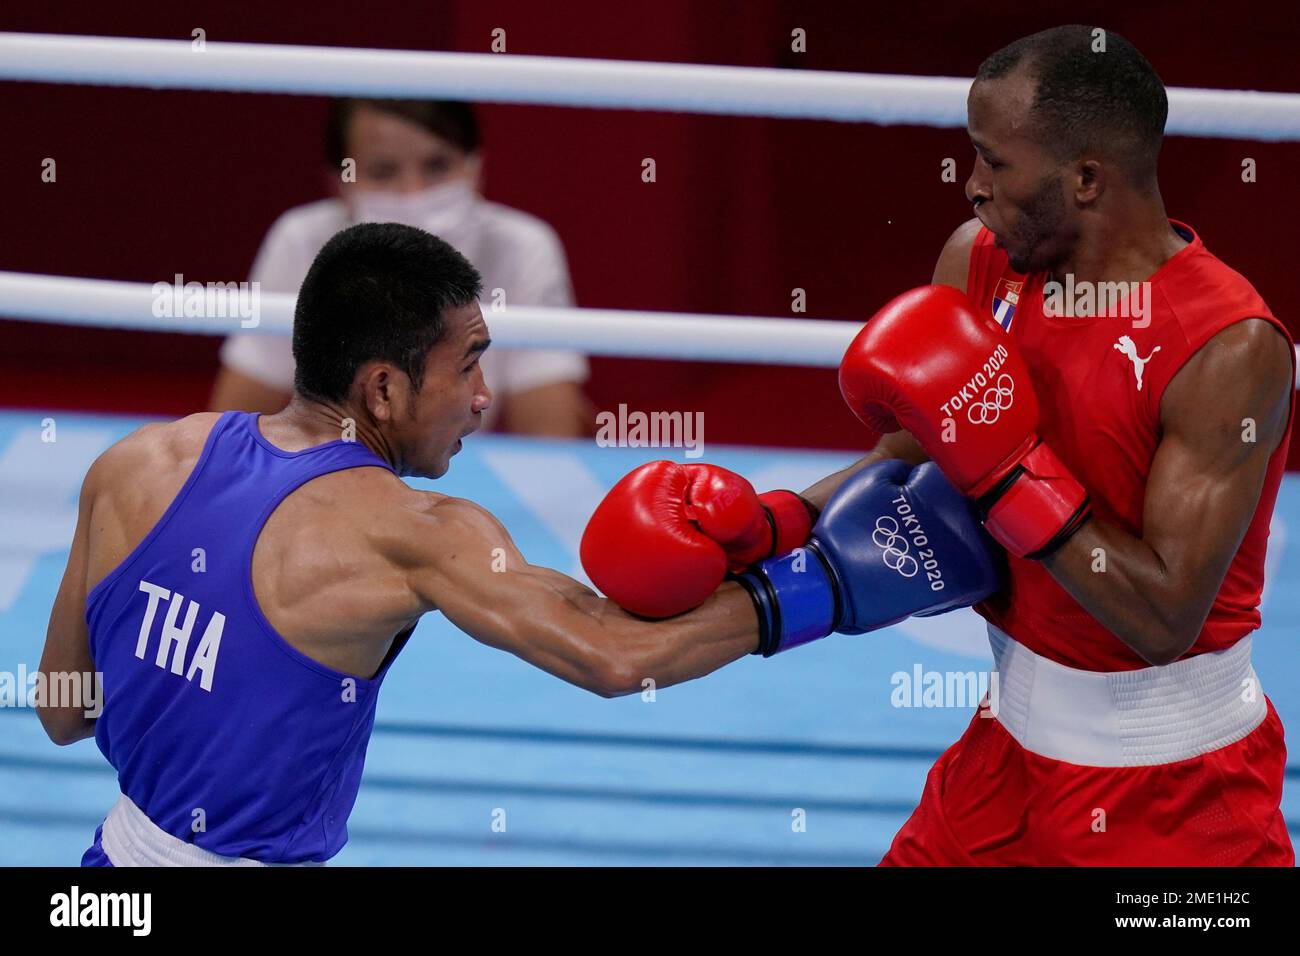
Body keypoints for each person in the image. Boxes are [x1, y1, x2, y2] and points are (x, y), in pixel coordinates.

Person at [35, 223, 998, 866]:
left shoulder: (141, 459)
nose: (487, 398)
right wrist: (823, 585)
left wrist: (787, 517)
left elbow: (63, 713)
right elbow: (615, 654)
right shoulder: (418, 535)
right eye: (470, 364)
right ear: (381, 389)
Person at [833, 25, 1292, 865]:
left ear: (1086, 178)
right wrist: (773, 526)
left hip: (1176, 803)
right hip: (999, 767)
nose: (972, 188)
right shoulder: (979, 263)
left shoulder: (1228, 347)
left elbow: (1163, 616)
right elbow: (907, 458)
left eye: (994, 162)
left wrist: (1007, 469)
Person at [210, 98, 591, 437]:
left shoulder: (522, 246)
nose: (414, 192)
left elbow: (550, 437)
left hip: (464, 479)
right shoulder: (300, 239)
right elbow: (233, 428)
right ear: (339, 183)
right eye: (383, 171)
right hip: (327, 482)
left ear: (477, 167)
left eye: (437, 165)